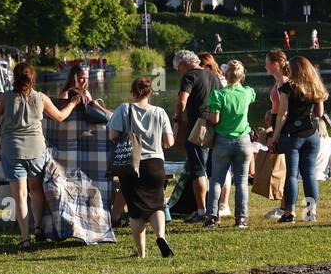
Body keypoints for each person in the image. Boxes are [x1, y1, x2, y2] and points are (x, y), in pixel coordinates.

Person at [0, 62, 78, 250]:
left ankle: (25, 239)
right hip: (36, 151)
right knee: (36, 189)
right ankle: (39, 227)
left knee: (21, 196)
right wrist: (73, 103)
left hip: (13, 151)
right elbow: (60, 117)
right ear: (32, 78)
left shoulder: (6, 98)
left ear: (14, 78)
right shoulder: (41, 98)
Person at [108, 77, 175, 258]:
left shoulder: (124, 109)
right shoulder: (160, 112)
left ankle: (141, 253)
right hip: (155, 165)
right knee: (157, 205)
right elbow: (169, 142)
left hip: (132, 165)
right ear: (149, 93)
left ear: (133, 92)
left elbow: (112, 135)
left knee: (136, 211)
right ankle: (160, 236)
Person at [271, 55, 329, 223]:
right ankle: (311, 212)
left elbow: (283, 114)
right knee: (309, 174)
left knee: (292, 175)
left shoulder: (287, 88)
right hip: (312, 134)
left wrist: (275, 135)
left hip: (292, 136)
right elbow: (319, 114)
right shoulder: (315, 87)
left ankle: (289, 212)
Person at [203, 60, 256, 229]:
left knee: (217, 180)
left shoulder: (218, 95)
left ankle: (211, 216)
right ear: (242, 76)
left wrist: (209, 117)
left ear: (225, 76)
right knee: (241, 181)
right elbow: (251, 95)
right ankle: (241, 218)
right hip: (244, 141)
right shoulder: (247, 93)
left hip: (223, 141)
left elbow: (215, 119)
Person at [173, 50, 222, 222]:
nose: (179, 72)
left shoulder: (189, 76)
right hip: (216, 126)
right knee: (212, 172)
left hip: (198, 128)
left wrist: (177, 117)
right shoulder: (213, 75)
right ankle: (214, 210)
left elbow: (182, 100)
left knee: (198, 171)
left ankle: (202, 212)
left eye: (178, 68)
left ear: (183, 64)